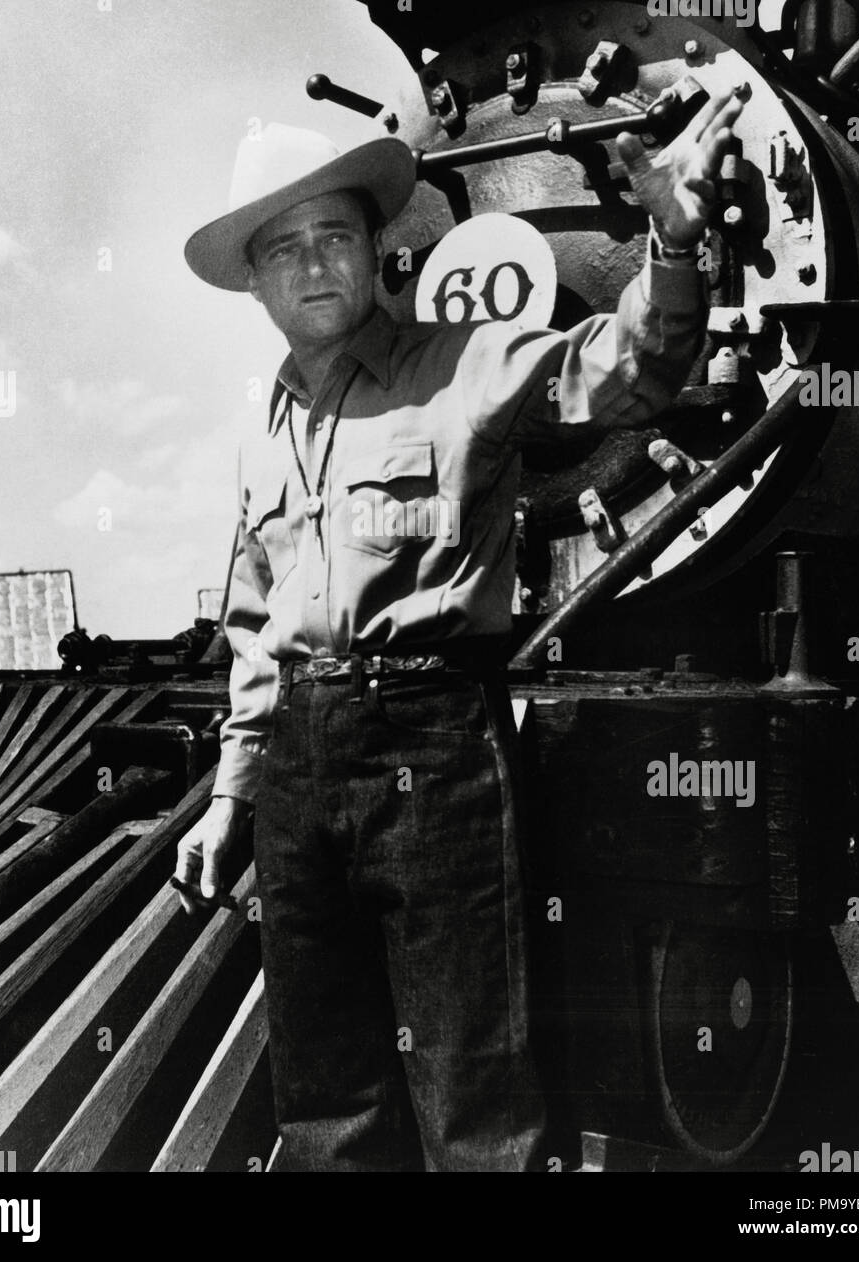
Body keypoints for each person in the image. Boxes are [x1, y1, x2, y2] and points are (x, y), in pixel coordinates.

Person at [174, 87, 748, 1171]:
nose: (311, 266)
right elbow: (254, 629)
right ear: (252, 282)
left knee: (472, 1095)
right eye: (282, 249)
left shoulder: (463, 364)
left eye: (333, 236)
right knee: (325, 1098)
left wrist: (672, 241)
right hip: (296, 761)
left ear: (377, 248)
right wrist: (228, 797)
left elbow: (625, 372)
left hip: (430, 743)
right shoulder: (262, 429)